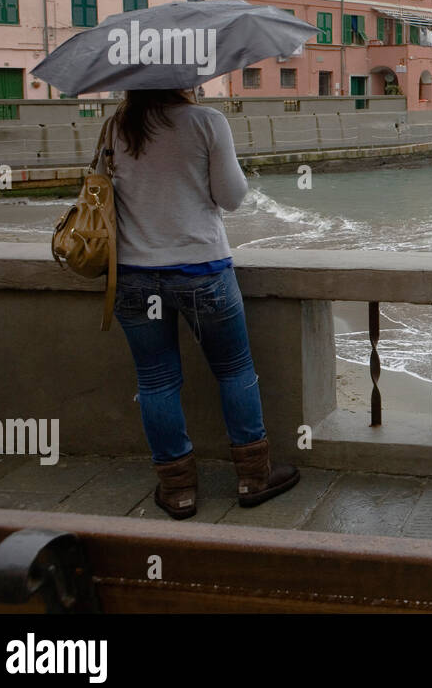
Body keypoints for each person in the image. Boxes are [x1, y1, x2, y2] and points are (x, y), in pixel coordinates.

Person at [110, 89, 299, 520]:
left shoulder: (116, 125)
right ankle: (254, 477)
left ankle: (178, 491)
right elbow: (231, 197)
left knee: (156, 381)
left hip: (135, 275)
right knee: (234, 370)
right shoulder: (206, 121)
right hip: (201, 270)